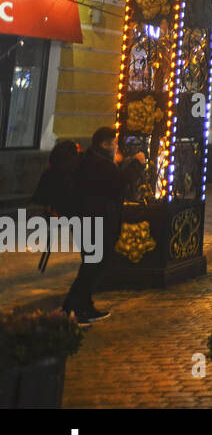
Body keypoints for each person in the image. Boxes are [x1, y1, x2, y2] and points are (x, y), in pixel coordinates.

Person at [63, 128, 146, 324]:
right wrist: (137, 164)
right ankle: (73, 307)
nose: (116, 147)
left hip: (87, 219)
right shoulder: (100, 164)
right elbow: (119, 184)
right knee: (94, 264)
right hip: (95, 220)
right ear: (105, 144)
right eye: (114, 143)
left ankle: (82, 305)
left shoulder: (92, 160)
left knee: (92, 263)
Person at [32, 140, 82, 273]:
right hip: (63, 213)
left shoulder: (51, 171)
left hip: (60, 212)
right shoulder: (69, 173)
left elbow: (41, 198)